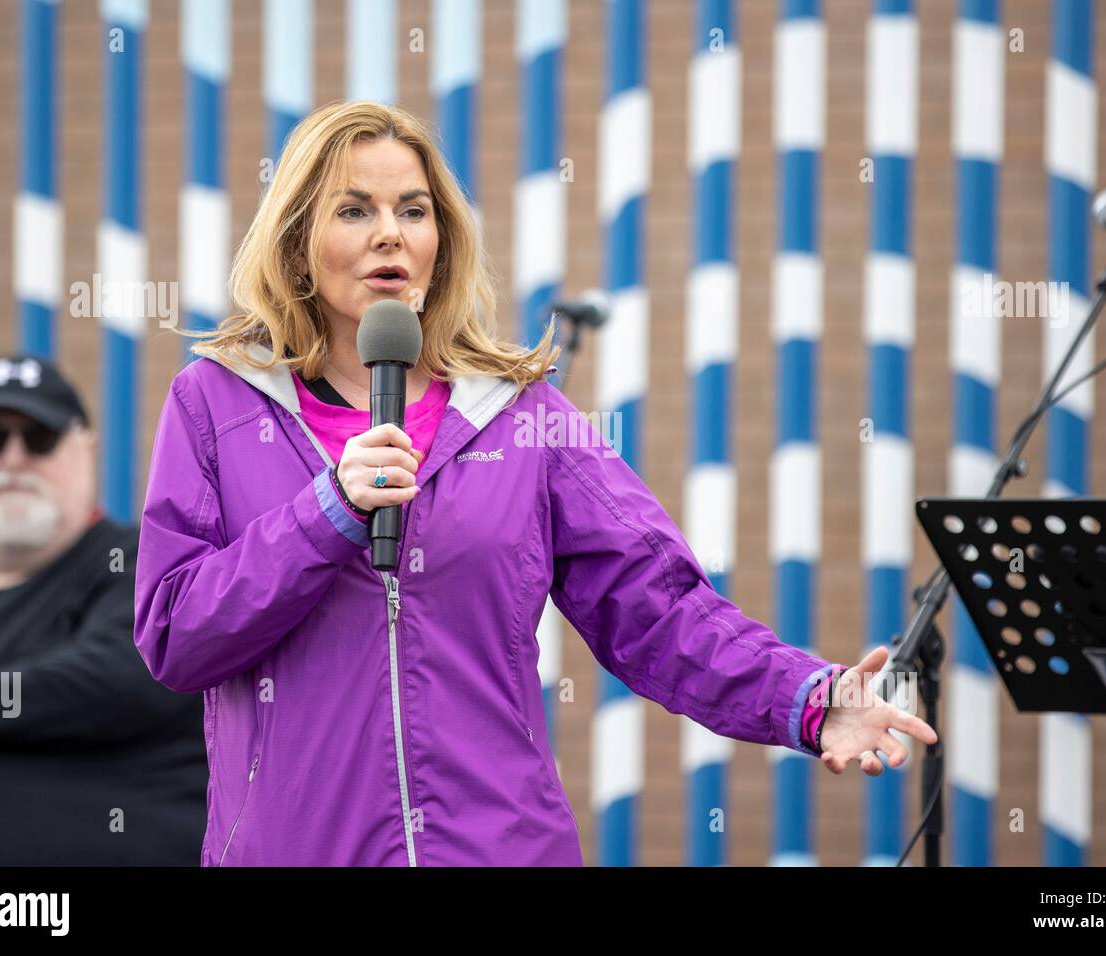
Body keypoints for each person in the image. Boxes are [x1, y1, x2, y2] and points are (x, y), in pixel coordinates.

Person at [133, 100, 936, 867]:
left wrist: (808, 697)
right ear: (298, 236)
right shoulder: (216, 404)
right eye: (354, 210)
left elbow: (660, 608)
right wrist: (325, 514)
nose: (391, 235)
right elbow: (173, 634)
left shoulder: (519, 415)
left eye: (414, 211)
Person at [0, 354, 207, 865]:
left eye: (40, 437)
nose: (12, 460)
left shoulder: (144, 567)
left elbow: (114, 685)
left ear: (86, 450)